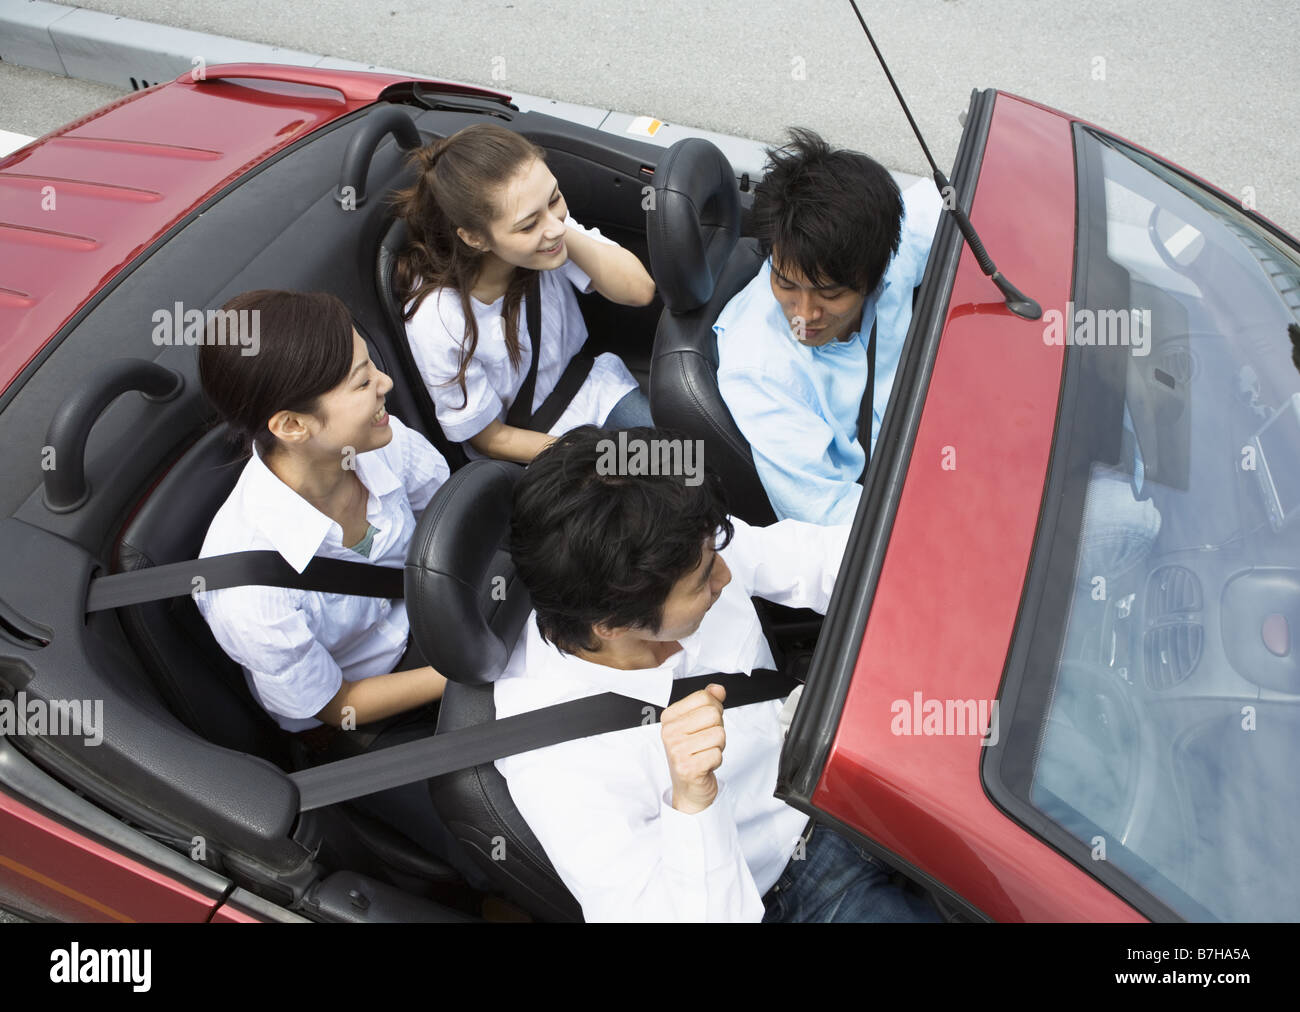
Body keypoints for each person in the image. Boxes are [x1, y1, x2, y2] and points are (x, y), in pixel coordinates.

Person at [494, 425, 942, 922]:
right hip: (789, 887)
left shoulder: (673, 541)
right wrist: (692, 801)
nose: (725, 576)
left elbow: (812, 560)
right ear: (615, 625)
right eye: (705, 579)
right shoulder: (554, 764)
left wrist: (935, 557)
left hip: (840, 766)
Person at [194, 288, 488, 888]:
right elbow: (334, 706)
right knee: (498, 833)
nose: (385, 384)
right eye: (361, 382)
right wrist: (470, 669)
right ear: (293, 426)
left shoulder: (383, 442)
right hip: (368, 722)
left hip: (436, 630)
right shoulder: (249, 586)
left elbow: (449, 528)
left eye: (371, 366)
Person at [715, 127, 942, 525]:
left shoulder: (890, 246)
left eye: (830, 294)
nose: (804, 313)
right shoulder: (758, 371)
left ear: (875, 274)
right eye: (785, 284)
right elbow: (829, 516)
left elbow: (956, 211)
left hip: (948, 420)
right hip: (898, 498)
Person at [393, 123, 657, 464]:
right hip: (535, 448)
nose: (554, 225)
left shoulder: (550, 235)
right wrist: (595, 458)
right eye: (528, 224)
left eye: (555, 198)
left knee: (688, 469)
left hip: (594, 390)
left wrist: (558, 232)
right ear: (475, 237)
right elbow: (492, 439)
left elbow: (640, 291)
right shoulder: (440, 319)